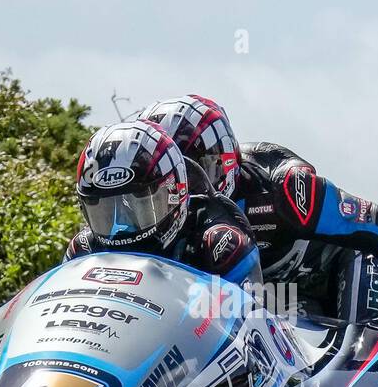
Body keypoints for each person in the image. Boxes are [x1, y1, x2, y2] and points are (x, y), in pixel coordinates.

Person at [137, 95, 378, 348]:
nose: (194, 184)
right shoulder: (151, 213)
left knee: (358, 365)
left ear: (228, 159)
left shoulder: (285, 187)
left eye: (200, 168)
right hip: (268, 297)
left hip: (341, 272)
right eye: (178, 175)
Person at [64, 120, 260, 288]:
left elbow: (252, 319)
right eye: (104, 212)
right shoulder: (82, 249)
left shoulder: (219, 244)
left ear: (177, 191)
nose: (121, 229)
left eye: (139, 206)